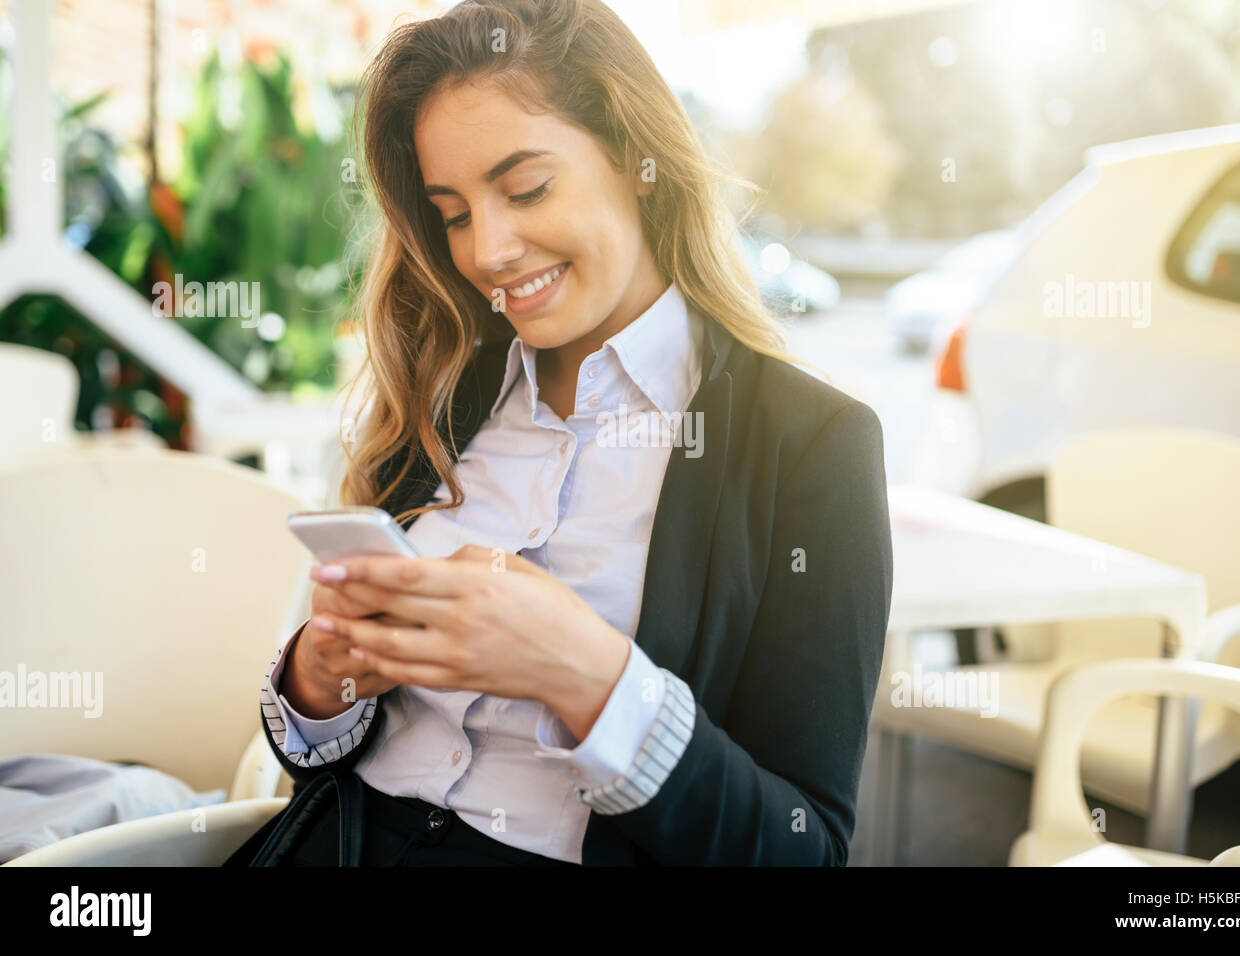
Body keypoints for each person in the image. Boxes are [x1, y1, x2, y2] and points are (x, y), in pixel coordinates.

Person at [225, 0, 891, 867]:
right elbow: (314, 754)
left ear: (638, 159)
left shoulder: (808, 447)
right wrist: (322, 678)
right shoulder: (441, 395)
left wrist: (587, 675)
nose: (488, 251)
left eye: (526, 187)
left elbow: (803, 848)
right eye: (454, 212)